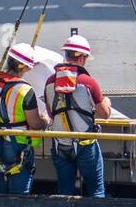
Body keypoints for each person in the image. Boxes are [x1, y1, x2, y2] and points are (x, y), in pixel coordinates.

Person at [44, 32, 113, 197]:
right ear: (82, 58)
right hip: (85, 145)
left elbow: (51, 114)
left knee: (65, 193)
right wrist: (107, 103)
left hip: (60, 145)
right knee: (97, 191)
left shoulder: (50, 82)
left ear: (66, 54)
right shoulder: (88, 82)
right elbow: (105, 114)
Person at [0, 43, 48, 194]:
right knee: (19, 198)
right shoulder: (25, 90)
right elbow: (35, 123)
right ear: (23, 66)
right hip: (17, 147)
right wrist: (45, 120)